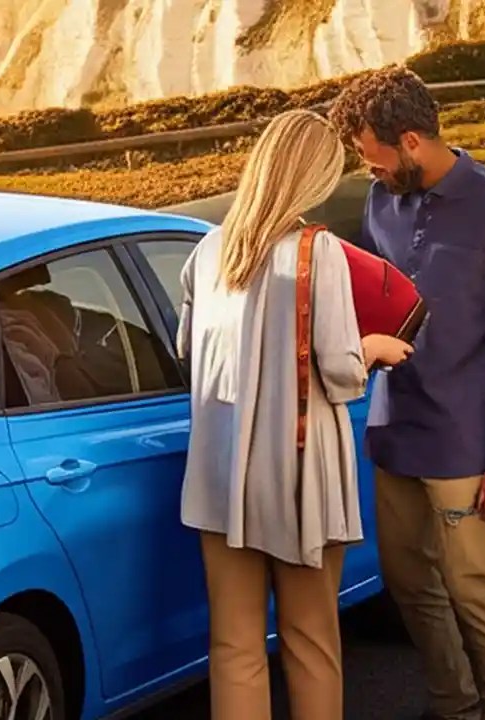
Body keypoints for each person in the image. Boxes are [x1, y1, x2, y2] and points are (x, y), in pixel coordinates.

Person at [176, 108, 414, 720]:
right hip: (300, 477)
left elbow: (186, 349)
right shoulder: (319, 251)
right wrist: (376, 348)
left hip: (221, 478)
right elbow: (338, 369)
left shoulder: (207, 252)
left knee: (233, 646)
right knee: (310, 642)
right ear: (311, 177)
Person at [328, 66, 485, 720]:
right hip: (395, 432)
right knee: (408, 583)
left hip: (465, 444)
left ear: (414, 140)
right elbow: (377, 300)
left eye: (373, 155)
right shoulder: (380, 200)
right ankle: (454, 706)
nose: (369, 169)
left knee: (473, 590)